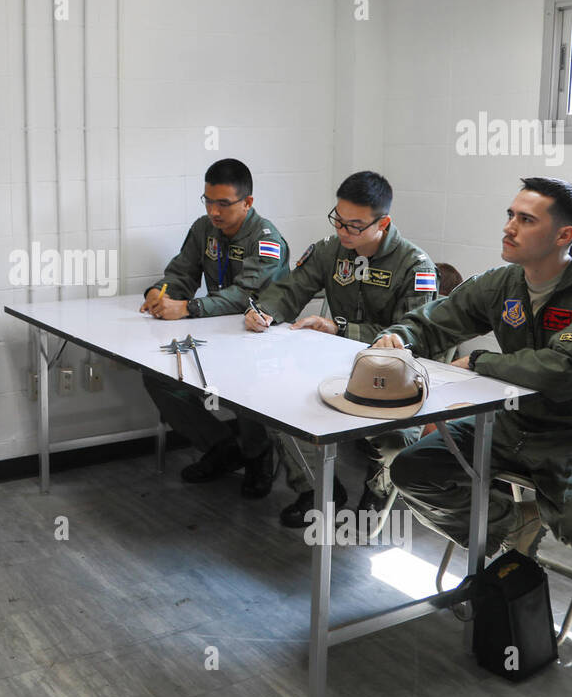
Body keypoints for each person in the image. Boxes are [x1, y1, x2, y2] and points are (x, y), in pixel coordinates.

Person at [372, 177, 572, 636]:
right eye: (510, 215)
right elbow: (437, 319)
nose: (509, 228)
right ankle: (511, 520)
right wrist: (401, 337)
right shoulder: (503, 282)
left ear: (565, 235)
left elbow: (561, 371)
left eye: (526, 220)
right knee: (413, 470)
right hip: (512, 420)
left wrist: (482, 361)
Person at [246, 171, 438, 527]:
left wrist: (343, 328)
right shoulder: (328, 250)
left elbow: (411, 339)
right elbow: (290, 290)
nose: (343, 231)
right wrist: (264, 312)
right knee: (276, 407)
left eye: (355, 226)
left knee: (390, 436)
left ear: (384, 223)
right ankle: (320, 491)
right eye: (338, 219)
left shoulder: (415, 265)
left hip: (395, 384)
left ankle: (379, 482)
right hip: (334, 369)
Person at [140, 158, 288, 497]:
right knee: (158, 376)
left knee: (244, 385)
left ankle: (257, 453)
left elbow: (244, 297)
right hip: (215, 332)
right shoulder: (203, 229)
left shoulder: (267, 240)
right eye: (208, 200)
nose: (214, 211)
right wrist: (160, 292)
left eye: (224, 203)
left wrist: (188, 308)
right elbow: (182, 272)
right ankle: (223, 447)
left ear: (247, 202)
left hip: (261, 340)